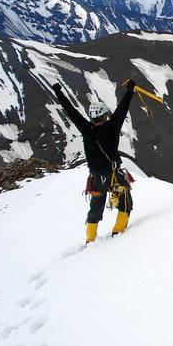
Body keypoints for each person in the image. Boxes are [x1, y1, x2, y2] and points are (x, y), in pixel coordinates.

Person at [52, 79, 137, 243]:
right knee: (125, 202)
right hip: (113, 175)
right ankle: (118, 231)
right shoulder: (111, 128)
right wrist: (129, 91)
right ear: (105, 116)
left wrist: (58, 93)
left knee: (96, 206)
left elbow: (71, 111)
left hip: (96, 177)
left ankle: (90, 238)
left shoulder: (85, 129)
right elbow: (122, 109)